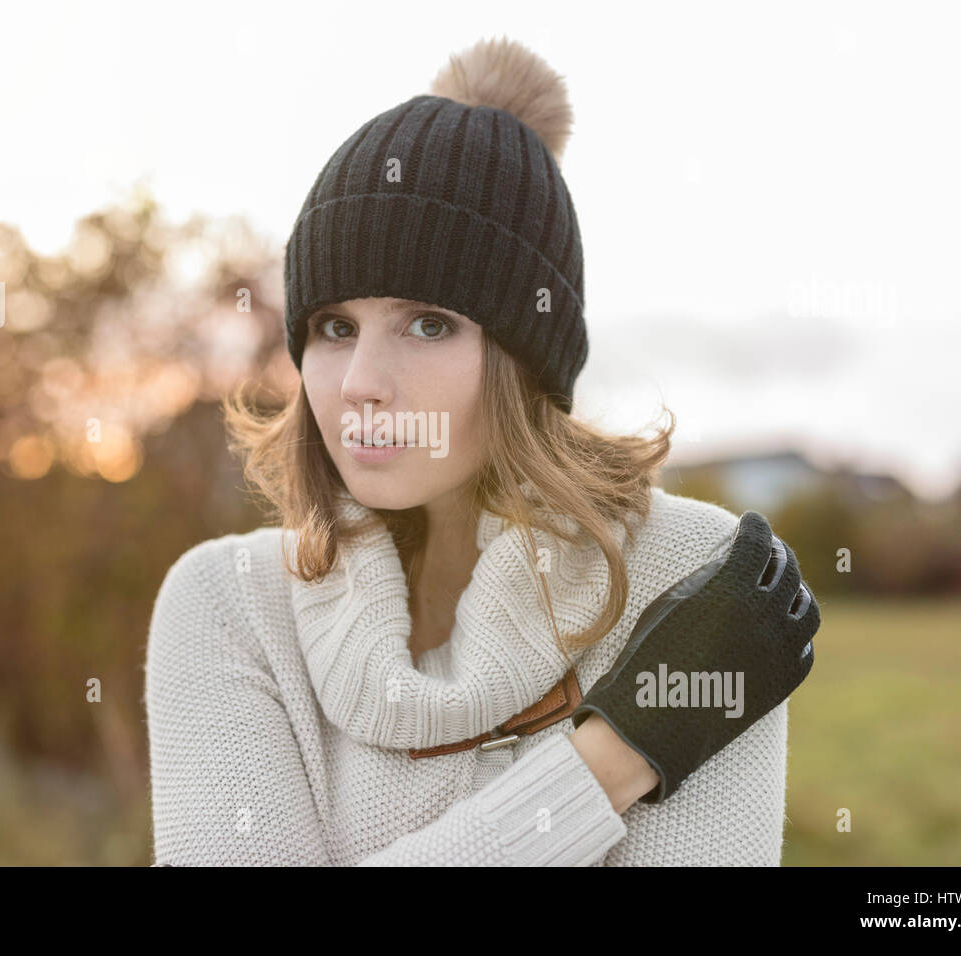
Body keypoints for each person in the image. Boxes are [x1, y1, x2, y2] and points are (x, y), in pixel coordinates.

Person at [145, 36, 819, 866]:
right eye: (334, 327)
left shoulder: (696, 582)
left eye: (429, 324)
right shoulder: (229, 604)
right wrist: (613, 760)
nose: (361, 382)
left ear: (524, 363)